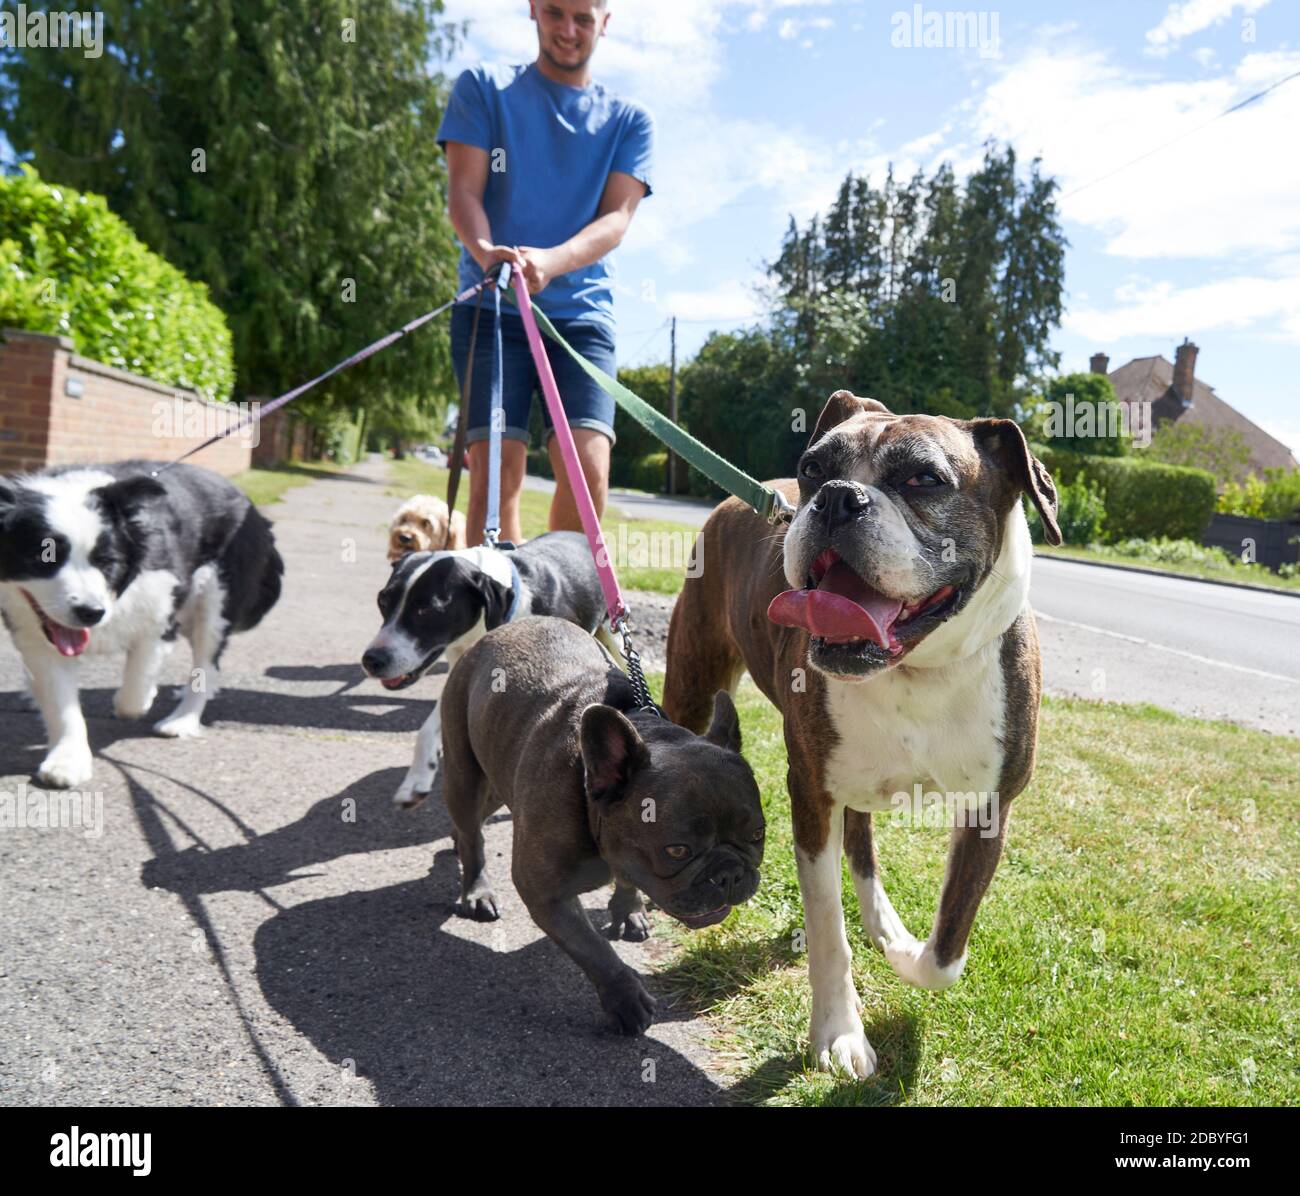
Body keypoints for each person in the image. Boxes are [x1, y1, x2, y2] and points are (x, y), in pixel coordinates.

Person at [437, 0, 654, 546]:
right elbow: (463, 191)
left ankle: (563, 618)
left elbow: (616, 219)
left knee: (588, 472)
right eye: (555, 12)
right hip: (492, 307)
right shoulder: (483, 88)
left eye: (583, 18)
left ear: (606, 21)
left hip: (581, 317)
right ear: (533, 9)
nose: (568, 30)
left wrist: (550, 263)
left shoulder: (630, 121)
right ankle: (504, 617)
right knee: (494, 475)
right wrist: (489, 251)